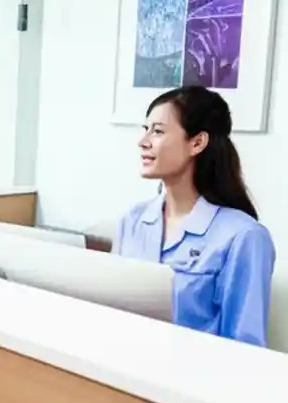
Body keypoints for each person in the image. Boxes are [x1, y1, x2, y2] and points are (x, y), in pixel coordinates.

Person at [114, 86, 275, 346]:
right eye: (145, 130)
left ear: (197, 142)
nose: (143, 141)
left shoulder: (244, 237)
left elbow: (246, 347)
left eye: (157, 131)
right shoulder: (132, 221)